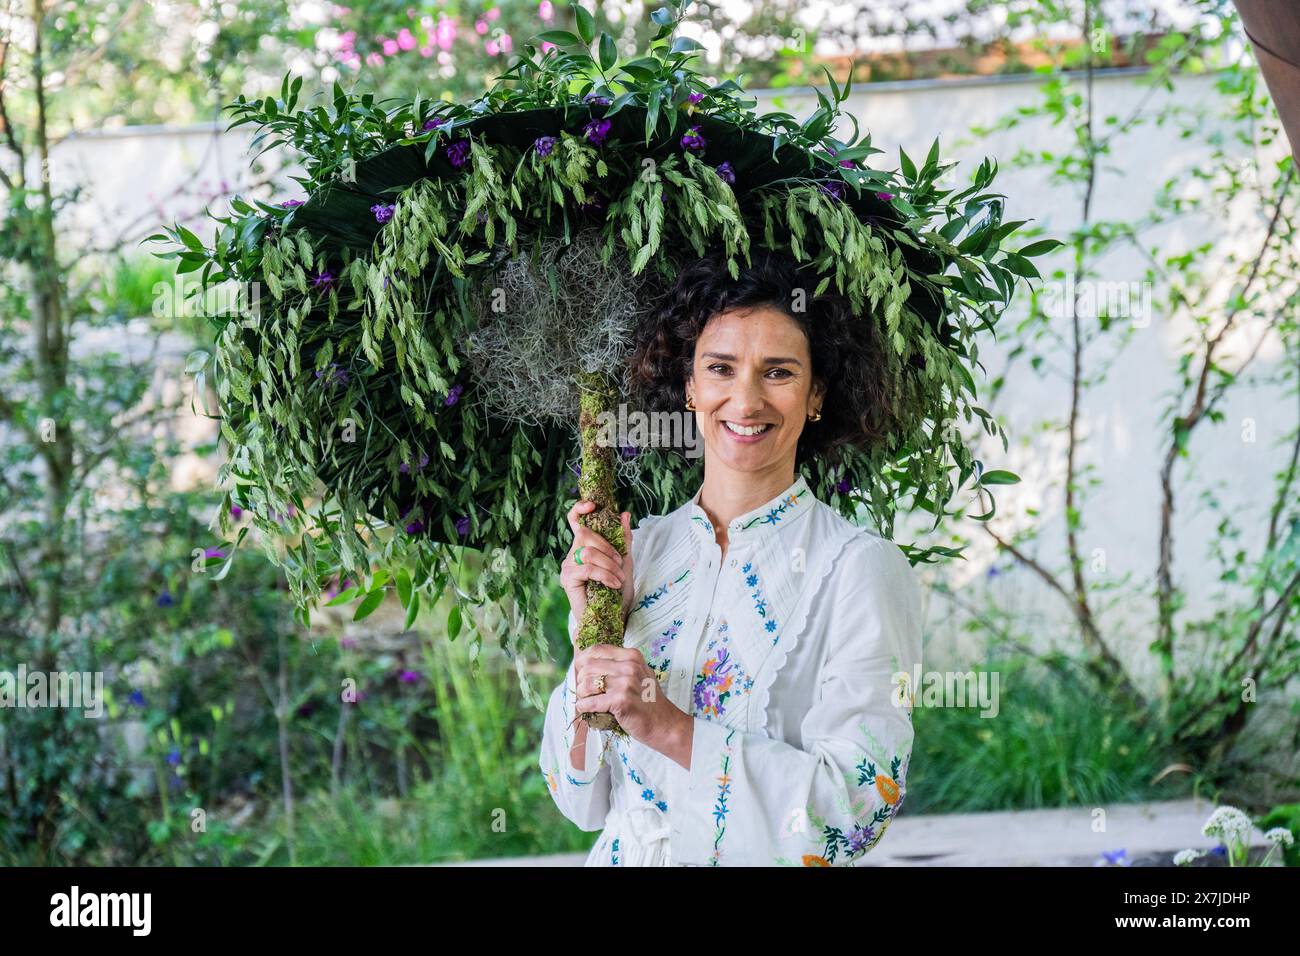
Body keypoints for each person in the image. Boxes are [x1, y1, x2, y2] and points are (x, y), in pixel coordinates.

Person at [537, 247, 924, 866]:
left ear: (816, 394)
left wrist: (667, 726)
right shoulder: (641, 552)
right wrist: (593, 633)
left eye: (778, 372)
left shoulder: (857, 568)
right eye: (720, 368)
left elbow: (853, 813)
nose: (745, 402)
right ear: (689, 387)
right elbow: (578, 802)